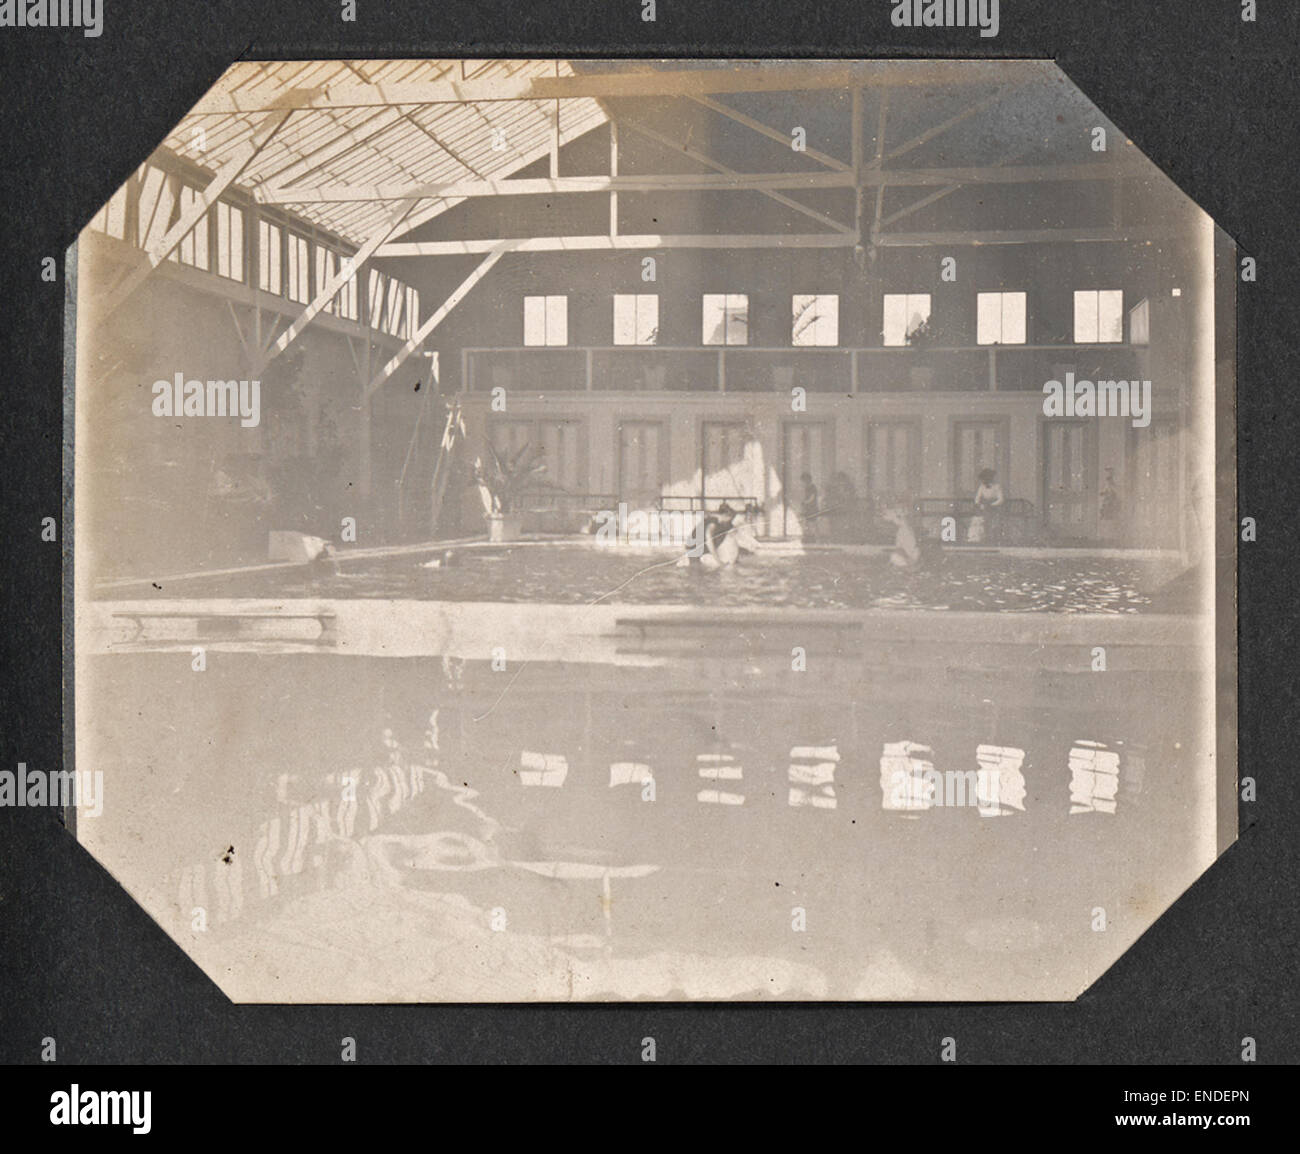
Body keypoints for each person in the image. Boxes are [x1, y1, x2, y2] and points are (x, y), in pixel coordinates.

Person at [973, 467, 1005, 544]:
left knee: (995, 523)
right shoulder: (981, 487)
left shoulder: (997, 486)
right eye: (983, 479)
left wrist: (992, 505)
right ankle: (984, 539)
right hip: (985, 507)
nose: (984, 481)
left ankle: (995, 539)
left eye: (985, 479)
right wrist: (979, 504)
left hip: (995, 507)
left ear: (990, 478)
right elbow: (977, 498)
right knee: (982, 522)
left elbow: (1001, 499)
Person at [800, 472, 820, 543]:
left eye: (803, 481)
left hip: (812, 508)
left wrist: (805, 502)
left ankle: (816, 538)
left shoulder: (812, 487)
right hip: (808, 508)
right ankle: (810, 538)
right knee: (808, 523)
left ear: (807, 480)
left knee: (812, 523)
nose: (803, 483)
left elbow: (812, 497)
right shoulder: (807, 487)